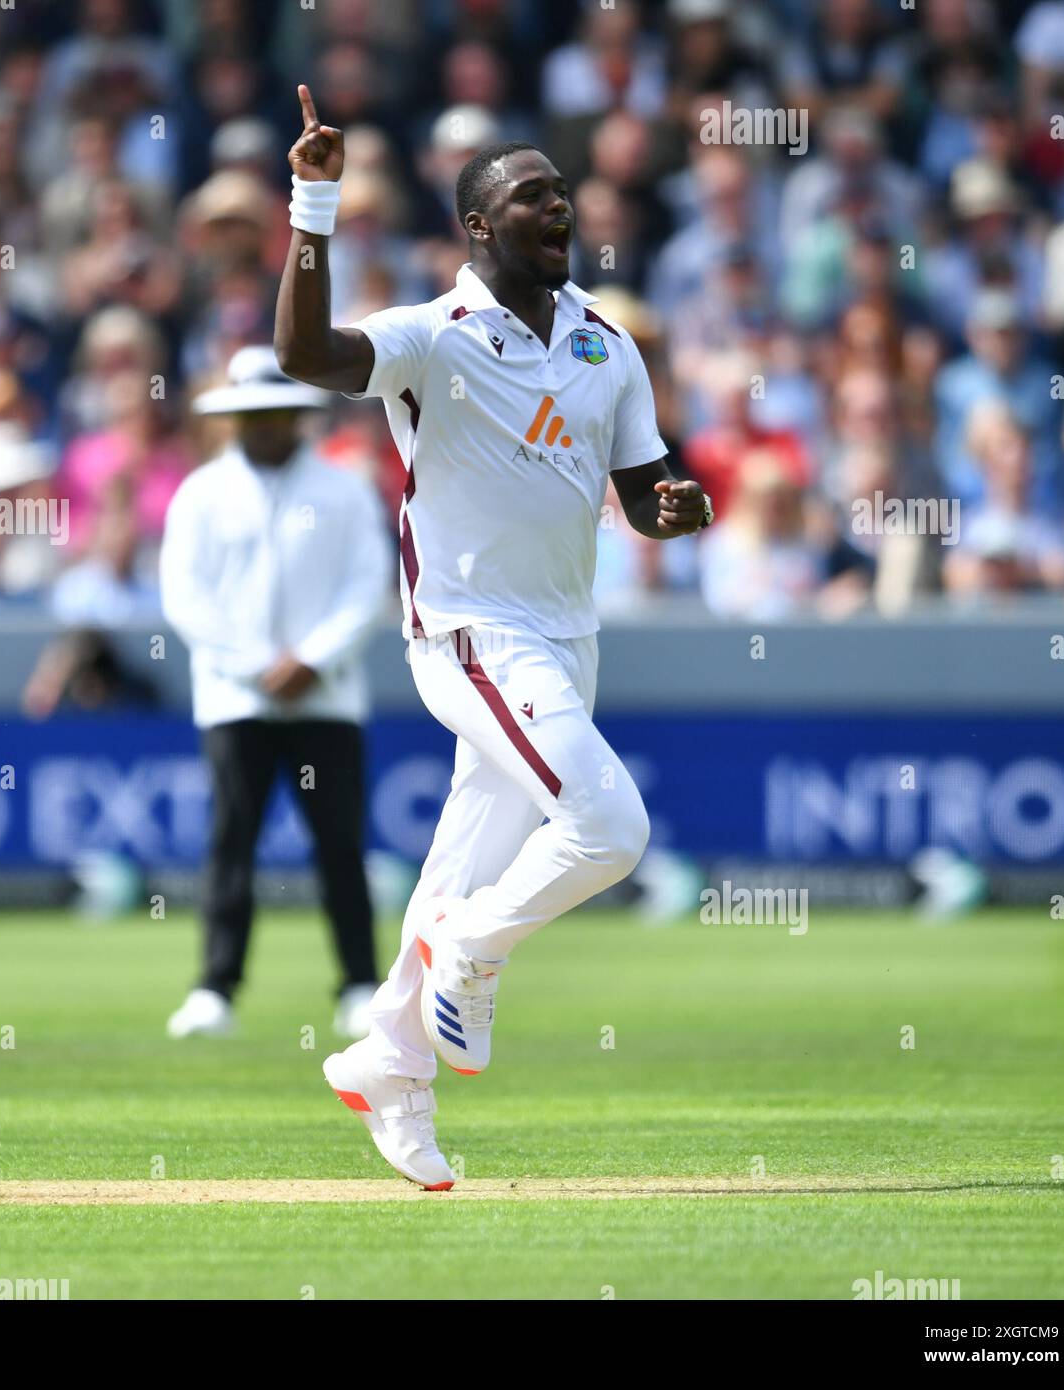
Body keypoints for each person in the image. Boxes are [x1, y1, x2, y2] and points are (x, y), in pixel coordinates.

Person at [275, 86, 711, 1190]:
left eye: (561, 194)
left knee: (459, 863)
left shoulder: (607, 344)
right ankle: (472, 951)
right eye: (530, 198)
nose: (557, 208)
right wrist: (312, 202)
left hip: (567, 639)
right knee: (610, 827)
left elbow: (638, 485)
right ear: (478, 225)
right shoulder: (433, 335)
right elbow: (304, 355)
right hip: (472, 636)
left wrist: (673, 505)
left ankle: (390, 1064)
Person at [160, 346, 392, 1043]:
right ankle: (214, 990)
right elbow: (185, 596)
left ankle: (359, 986)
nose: (264, 425)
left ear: (298, 414)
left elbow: (368, 582)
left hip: (327, 700)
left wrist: (314, 660)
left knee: (339, 845)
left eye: (276, 412)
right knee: (231, 843)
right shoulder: (202, 493)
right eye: (251, 415)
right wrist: (259, 664)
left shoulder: (343, 489)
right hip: (238, 702)